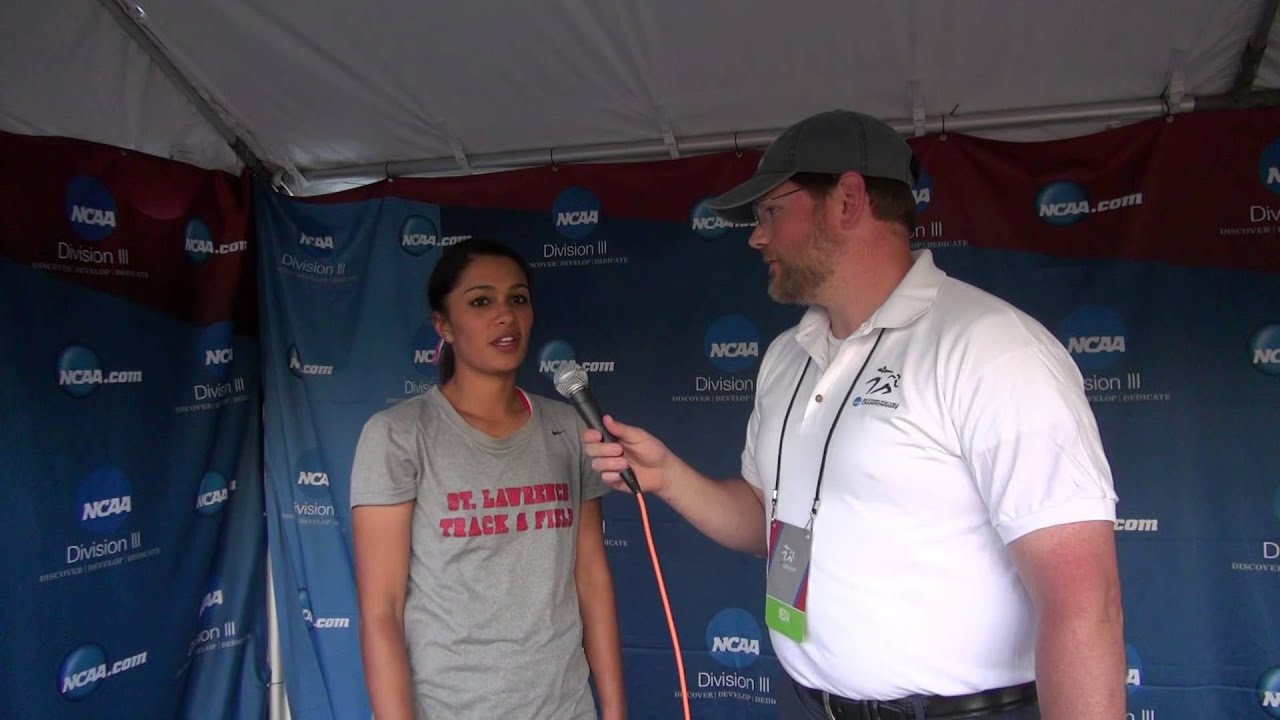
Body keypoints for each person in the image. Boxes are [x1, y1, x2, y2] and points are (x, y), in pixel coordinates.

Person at [583, 110, 1124, 719]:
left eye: (770, 212)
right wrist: (670, 479)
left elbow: (1083, 602)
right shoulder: (787, 356)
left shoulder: (990, 347)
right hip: (812, 707)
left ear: (846, 200)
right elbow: (768, 518)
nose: (756, 237)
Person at [350, 237, 626, 719]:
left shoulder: (570, 427)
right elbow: (381, 610)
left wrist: (616, 712)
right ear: (444, 325)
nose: (505, 315)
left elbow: (592, 578)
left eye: (517, 299)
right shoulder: (399, 435)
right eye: (481, 301)